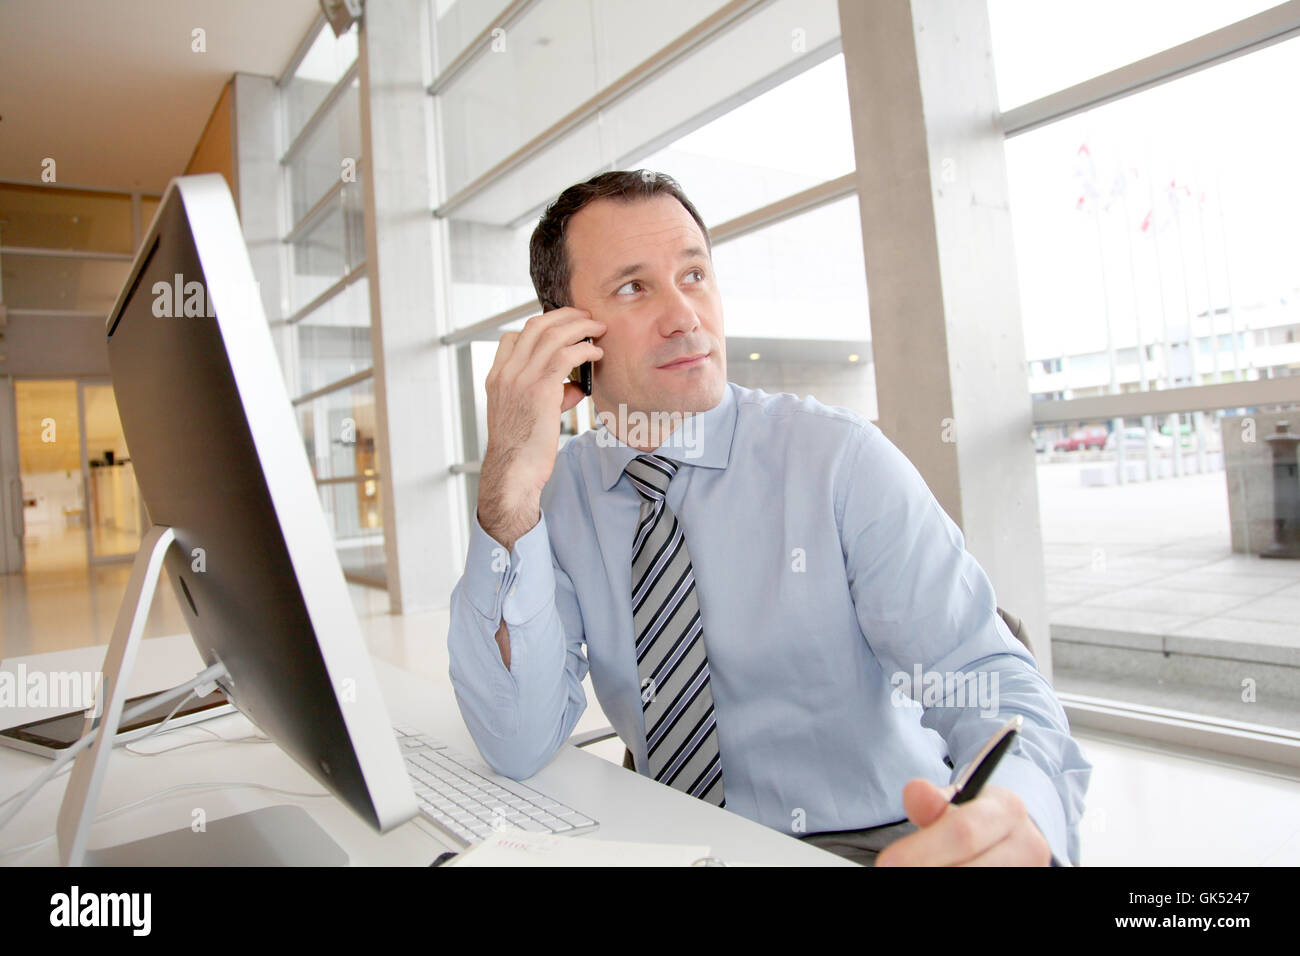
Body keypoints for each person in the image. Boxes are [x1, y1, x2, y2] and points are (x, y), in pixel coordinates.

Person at [447, 169, 1091, 866]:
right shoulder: (559, 496)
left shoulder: (838, 460)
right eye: (635, 288)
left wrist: (1012, 813)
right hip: (666, 838)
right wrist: (508, 489)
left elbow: (983, 676)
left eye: (694, 275)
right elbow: (516, 739)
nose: (685, 316)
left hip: (872, 840)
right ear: (567, 340)